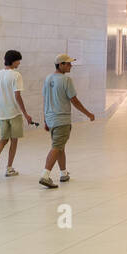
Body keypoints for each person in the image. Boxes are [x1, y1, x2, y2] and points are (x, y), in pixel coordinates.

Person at [39, 54, 95, 189]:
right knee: (57, 147)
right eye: (68, 64)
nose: (71, 66)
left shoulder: (48, 79)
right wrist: (88, 114)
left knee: (60, 147)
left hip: (51, 119)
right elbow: (74, 100)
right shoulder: (66, 80)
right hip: (62, 119)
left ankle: (64, 173)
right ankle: (45, 176)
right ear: (61, 65)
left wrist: (46, 119)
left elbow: (45, 100)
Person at [0, 49, 36, 179]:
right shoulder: (16, 75)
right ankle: (9, 168)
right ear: (14, 61)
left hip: (1, 113)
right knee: (14, 140)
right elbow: (17, 96)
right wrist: (26, 114)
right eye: (18, 60)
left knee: (3, 138)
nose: (19, 63)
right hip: (14, 113)